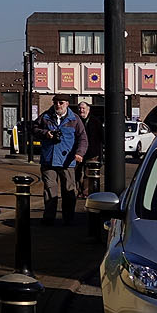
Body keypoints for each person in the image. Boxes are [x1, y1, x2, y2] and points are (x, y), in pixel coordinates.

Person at [38, 94, 88, 225]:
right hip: (49, 160)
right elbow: (33, 129)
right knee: (50, 190)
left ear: (67, 104)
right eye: (55, 102)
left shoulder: (74, 119)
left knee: (69, 191)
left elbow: (83, 138)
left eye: (61, 103)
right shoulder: (45, 116)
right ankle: (49, 219)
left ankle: (68, 218)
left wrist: (79, 153)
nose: (58, 105)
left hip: (67, 161)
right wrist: (45, 134)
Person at [76, 101, 104, 196]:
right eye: (80, 108)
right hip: (78, 152)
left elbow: (102, 137)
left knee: (89, 174)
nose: (81, 110)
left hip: (92, 153)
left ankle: (87, 192)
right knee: (77, 173)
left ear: (88, 109)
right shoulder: (75, 121)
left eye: (83, 108)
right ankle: (79, 191)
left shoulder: (95, 122)